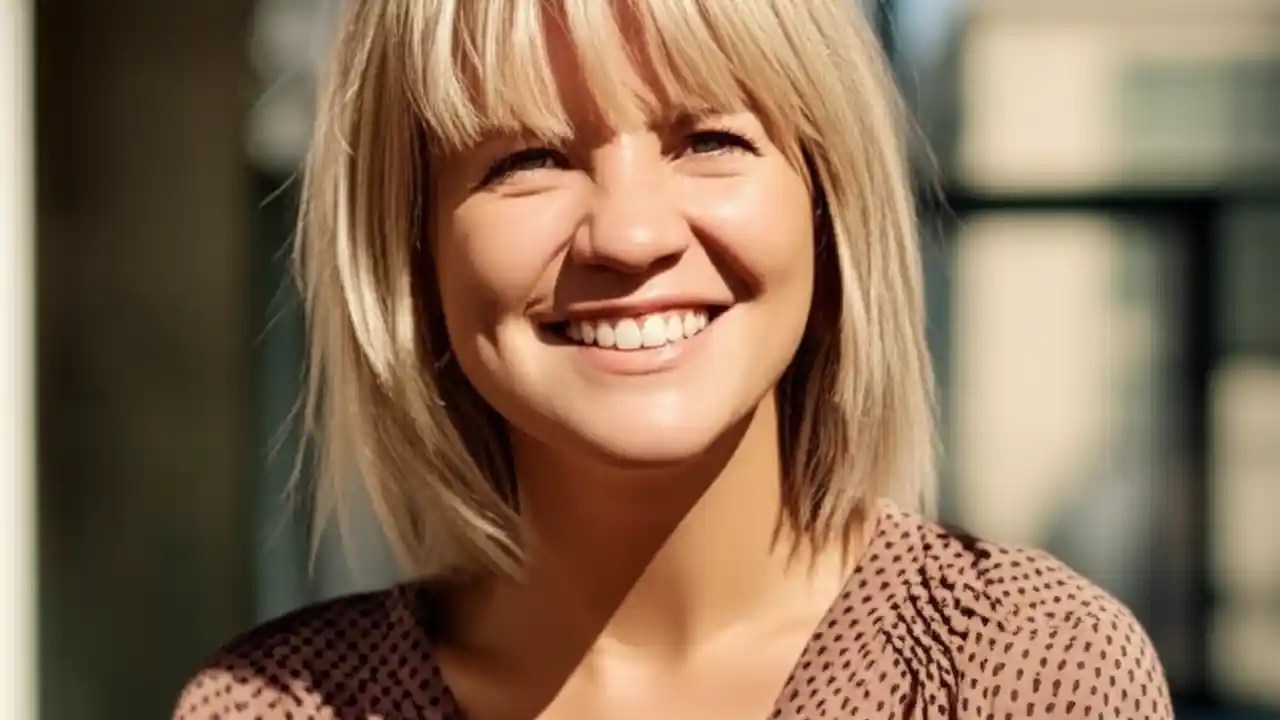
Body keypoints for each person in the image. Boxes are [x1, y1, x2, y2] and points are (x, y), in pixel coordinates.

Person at [175, 0, 1174, 717]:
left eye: (706, 139)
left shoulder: (1022, 673)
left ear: (825, 205)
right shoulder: (273, 708)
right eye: (526, 159)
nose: (630, 232)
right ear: (413, 248)